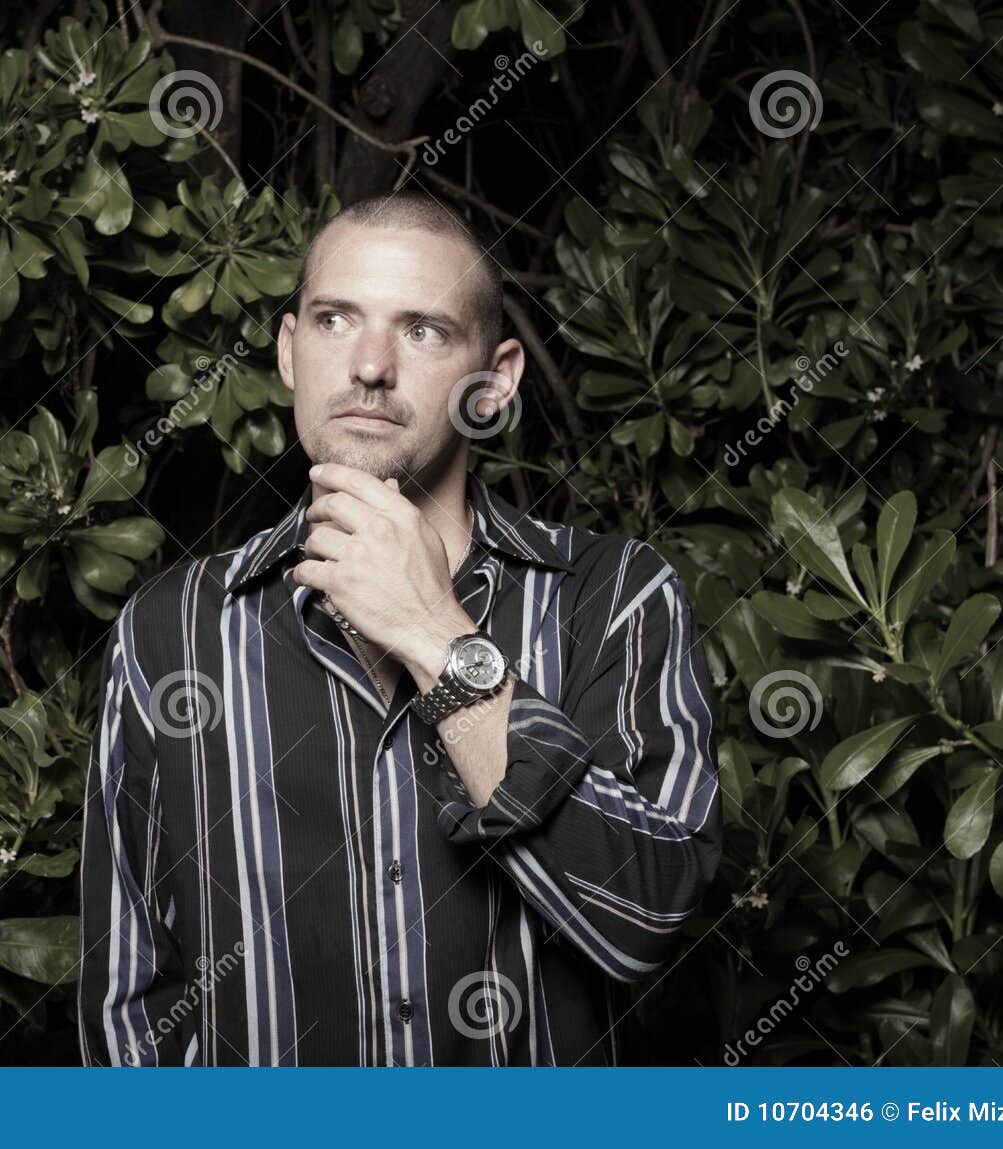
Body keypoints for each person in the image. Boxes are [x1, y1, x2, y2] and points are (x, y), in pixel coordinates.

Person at [77, 190, 721, 1065]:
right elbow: (126, 1004)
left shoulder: (616, 598)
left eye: (422, 330)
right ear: (289, 350)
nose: (370, 365)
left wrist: (434, 635)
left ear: (494, 382)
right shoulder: (172, 629)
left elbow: (648, 918)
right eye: (335, 319)